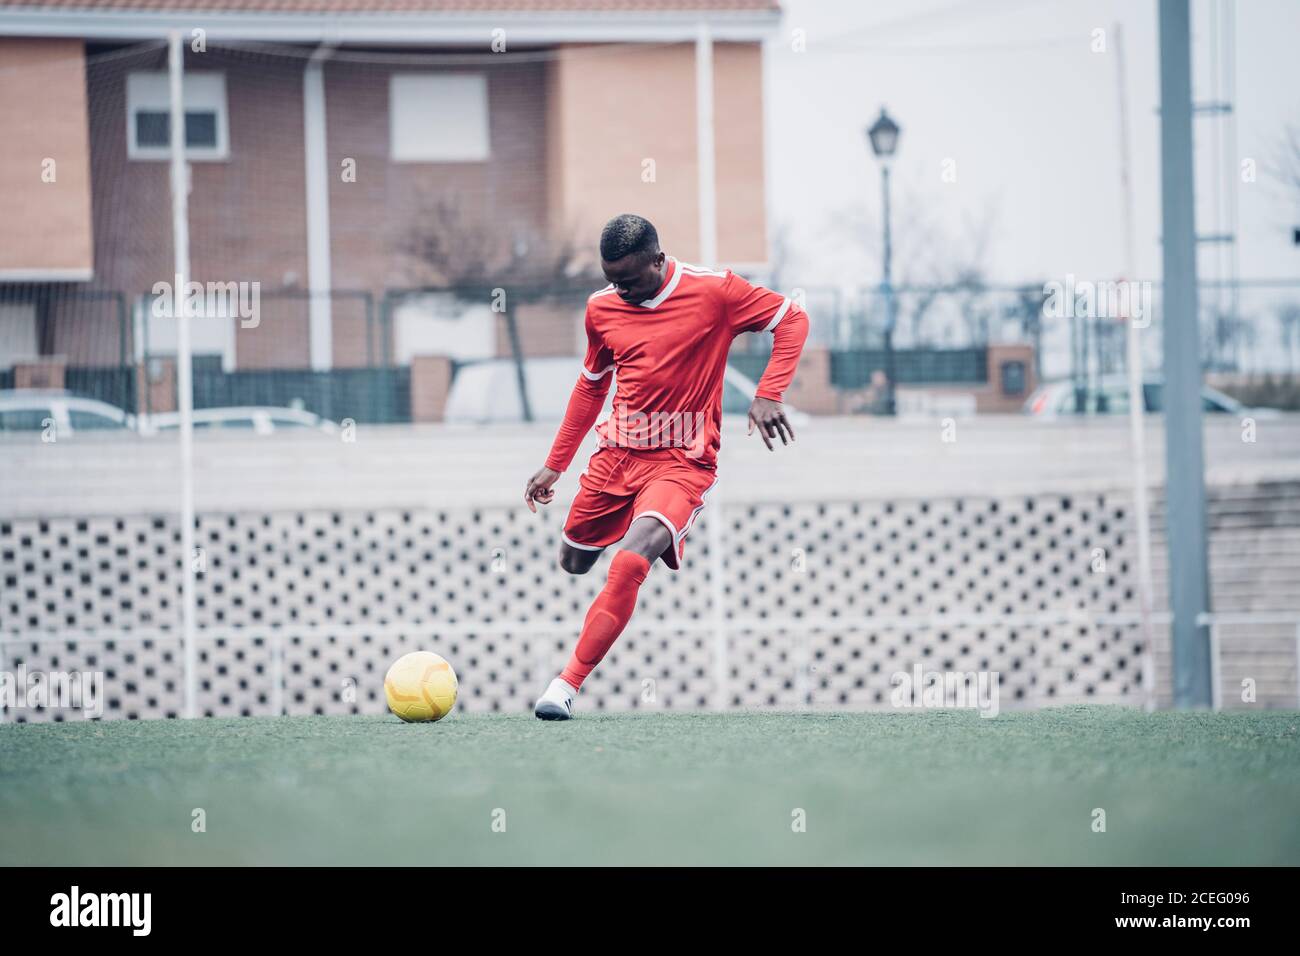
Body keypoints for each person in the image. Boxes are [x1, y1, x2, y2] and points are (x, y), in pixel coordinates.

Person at [523, 213, 808, 719]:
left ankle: (565, 686)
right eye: (612, 280)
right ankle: (623, 534)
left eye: (630, 281)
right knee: (573, 561)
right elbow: (591, 386)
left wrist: (769, 394)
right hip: (617, 456)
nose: (621, 291)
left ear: (658, 260)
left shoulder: (716, 292)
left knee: (630, 562)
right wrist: (555, 466)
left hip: (683, 460)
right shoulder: (600, 309)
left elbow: (792, 318)